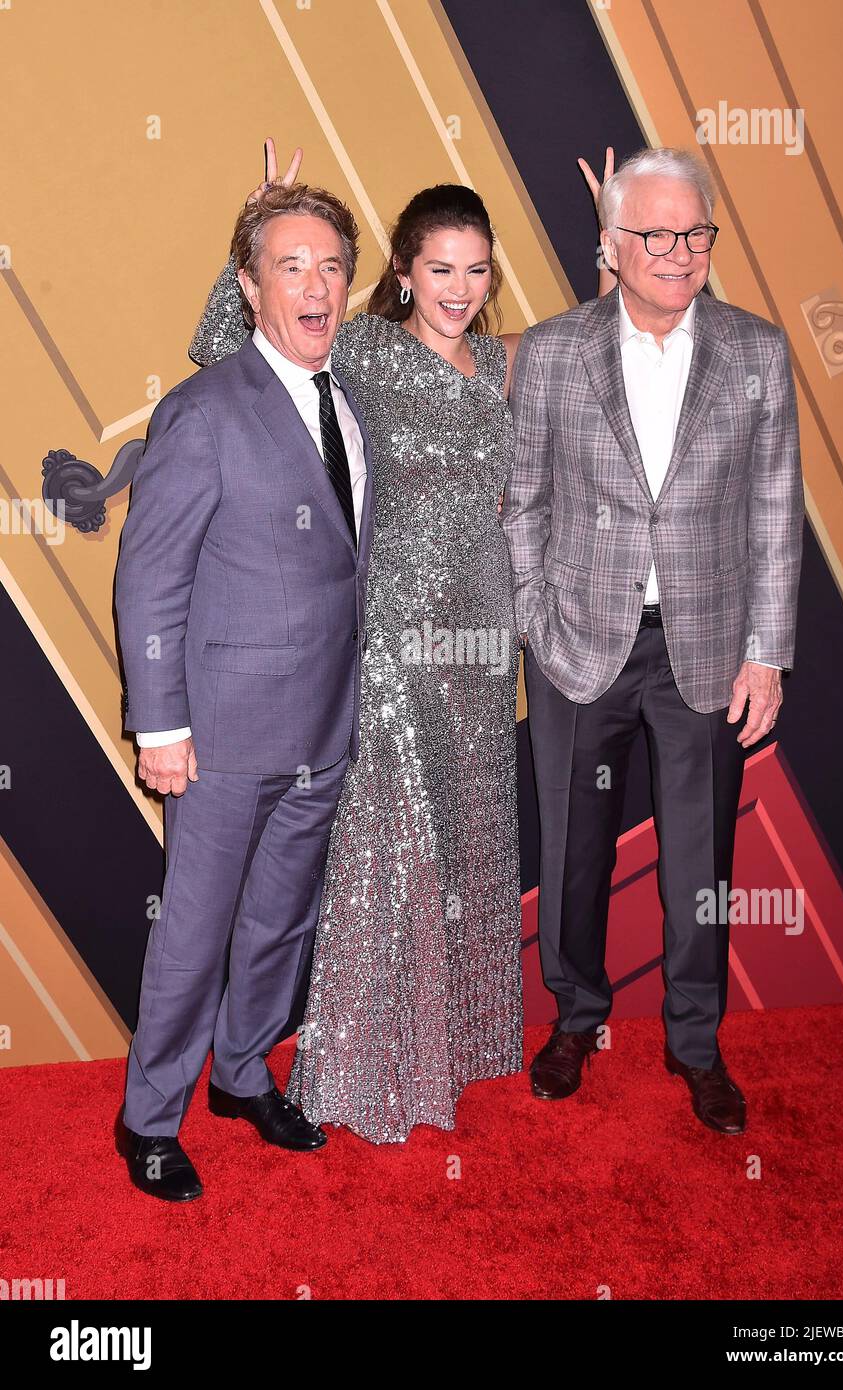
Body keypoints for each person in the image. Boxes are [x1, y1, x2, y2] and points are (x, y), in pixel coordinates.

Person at [190, 142, 524, 1143]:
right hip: (388, 642)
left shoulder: (504, 361)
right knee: (392, 852)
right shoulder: (364, 349)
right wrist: (258, 224)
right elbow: (222, 348)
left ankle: (448, 1051)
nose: (457, 289)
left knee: (464, 850)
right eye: (437, 268)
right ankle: (372, 1070)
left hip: (478, 638)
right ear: (402, 272)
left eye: (474, 269)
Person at [501, 146, 803, 1135]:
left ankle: (694, 1043)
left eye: (694, 233)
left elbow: (772, 514)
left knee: (698, 867)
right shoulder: (550, 352)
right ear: (610, 245)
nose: (677, 252)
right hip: (577, 647)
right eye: (653, 235)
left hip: (705, 652)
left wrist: (767, 652)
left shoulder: (756, 351)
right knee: (572, 850)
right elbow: (522, 503)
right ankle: (574, 1019)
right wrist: (534, 620)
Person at [115, 183, 374, 1199]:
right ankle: (148, 1118)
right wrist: (161, 723)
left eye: (332, 266)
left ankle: (241, 1072)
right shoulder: (205, 408)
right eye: (291, 265)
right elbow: (149, 575)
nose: (315, 285)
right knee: (194, 931)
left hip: (323, 726)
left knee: (279, 921)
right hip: (219, 732)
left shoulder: (345, 398)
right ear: (249, 286)